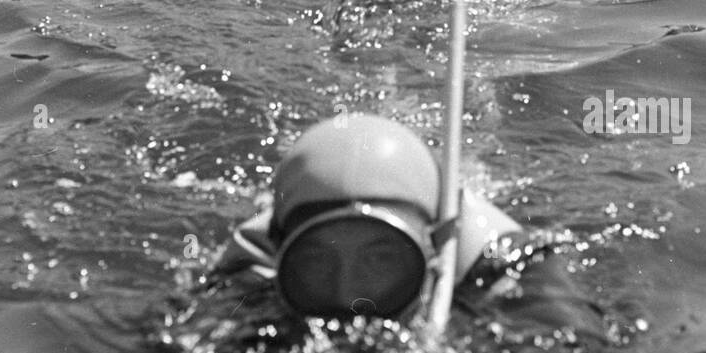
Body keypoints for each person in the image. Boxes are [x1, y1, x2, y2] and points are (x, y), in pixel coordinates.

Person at [217, 114, 603, 332]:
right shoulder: (249, 270)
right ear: (280, 253)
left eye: (381, 260)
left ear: (432, 249)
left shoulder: (504, 263)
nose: (350, 299)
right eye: (318, 263)